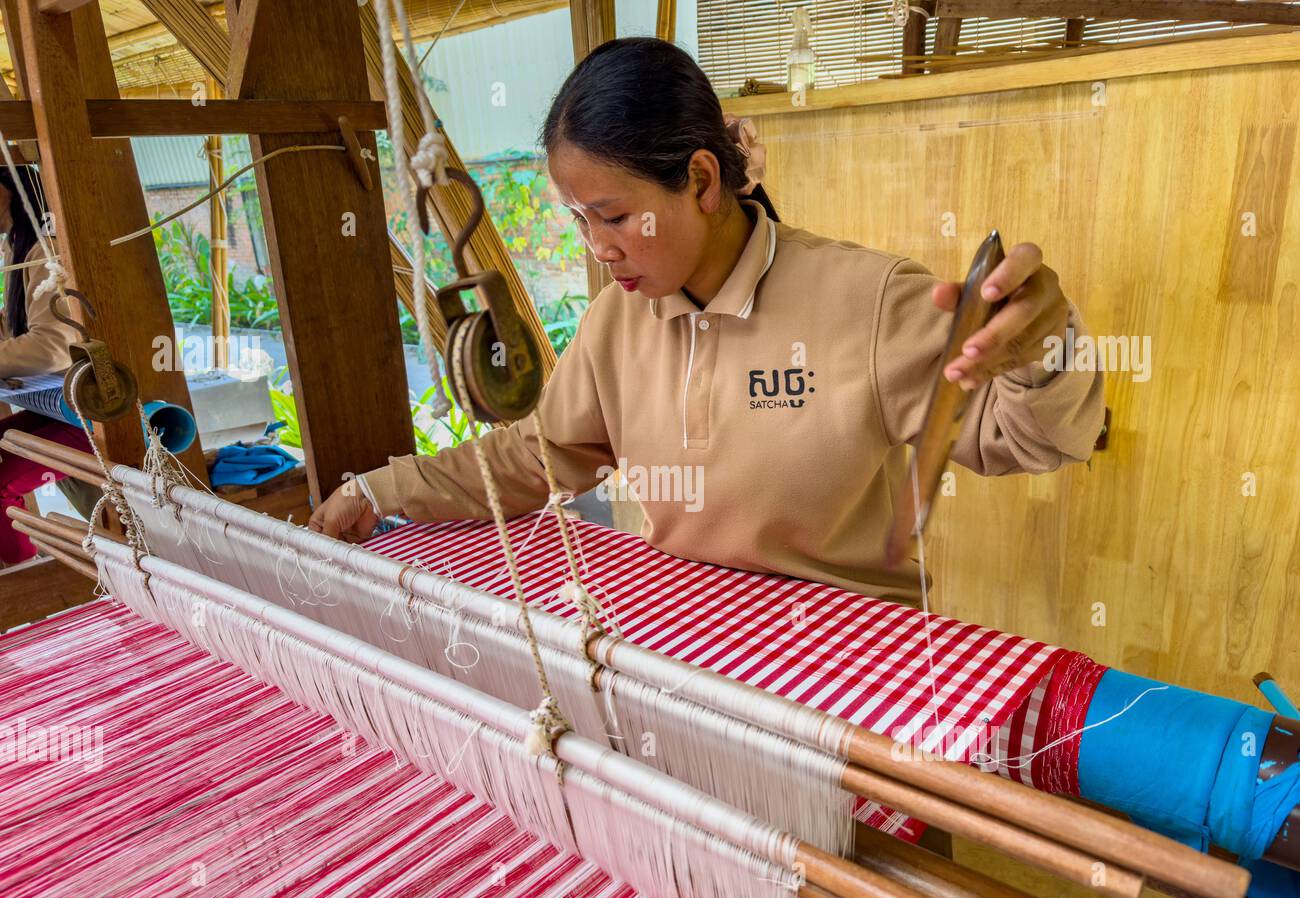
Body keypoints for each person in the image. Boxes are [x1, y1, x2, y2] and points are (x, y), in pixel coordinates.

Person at [309, 37, 1104, 606]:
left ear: (700, 180)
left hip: (850, 670)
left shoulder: (868, 300)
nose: (597, 249)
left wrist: (1046, 352)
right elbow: (536, 457)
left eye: (612, 216)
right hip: (691, 650)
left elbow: (1034, 438)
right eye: (579, 221)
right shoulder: (617, 322)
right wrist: (380, 489)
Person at [0, 164, 88, 567]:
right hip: (61, 406)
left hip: (93, 413)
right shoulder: (17, 248)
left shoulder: (45, 249)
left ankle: (26, 590)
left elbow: (52, 349)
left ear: (9, 192)